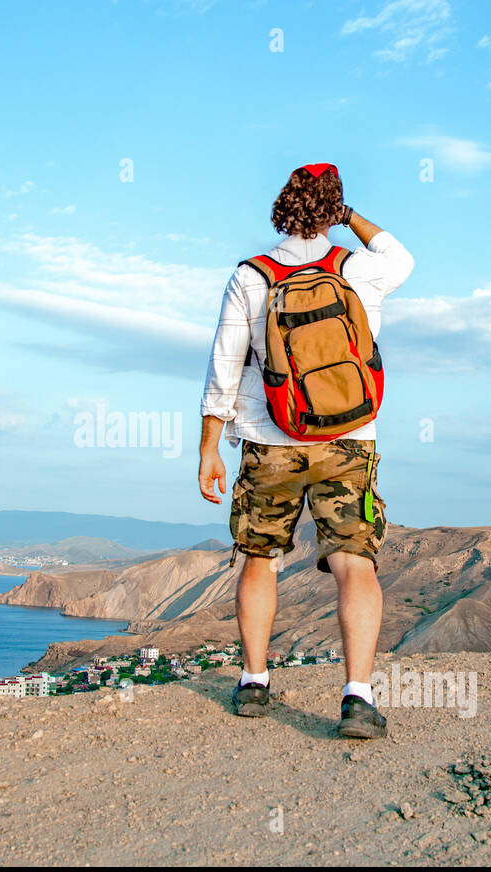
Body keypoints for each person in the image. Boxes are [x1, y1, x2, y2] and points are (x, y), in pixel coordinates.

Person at [198, 163, 414, 738]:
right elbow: (403, 258)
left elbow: (224, 367)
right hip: (348, 440)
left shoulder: (251, 276)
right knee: (354, 561)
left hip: (269, 443)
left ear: (281, 207)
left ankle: (253, 683)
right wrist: (348, 219)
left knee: (260, 558)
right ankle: (358, 698)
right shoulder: (357, 270)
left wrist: (209, 448)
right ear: (333, 209)